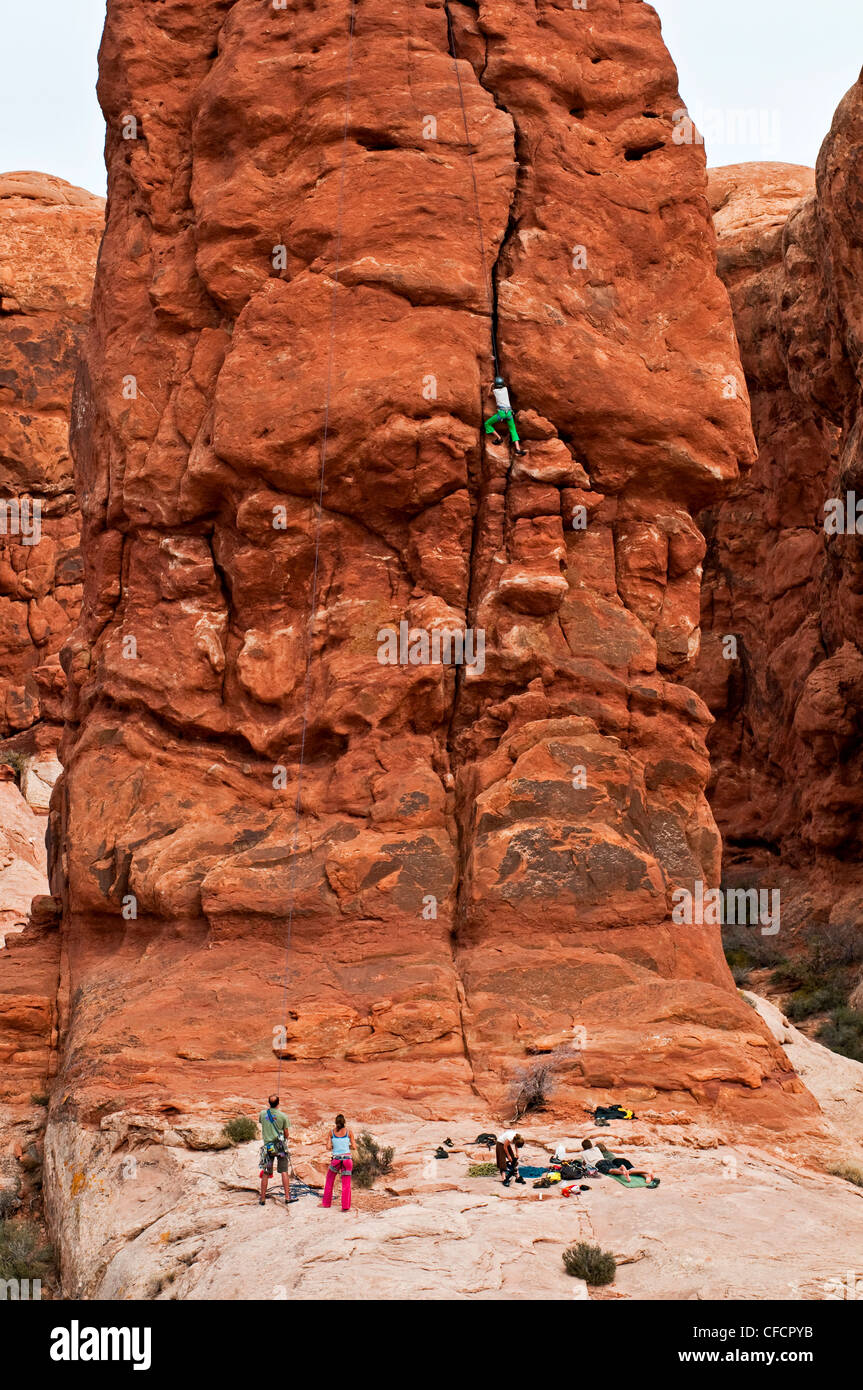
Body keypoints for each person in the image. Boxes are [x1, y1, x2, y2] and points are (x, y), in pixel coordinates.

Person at [582, 1138, 659, 1186]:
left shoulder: (585, 1153)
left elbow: (586, 1163)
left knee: (613, 1171)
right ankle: (646, 1174)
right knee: (631, 1169)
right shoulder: (598, 1150)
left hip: (609, 1162)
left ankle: (644, 1173)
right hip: (614, 1160)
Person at [259, 1094, 291, 1205]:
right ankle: (287, 1197)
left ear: (269, 1102)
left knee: (266, 1173)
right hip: (280, 1147)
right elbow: (286, 1133)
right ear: (278, 1103)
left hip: (268, 1147)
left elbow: (262, 1123)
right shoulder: (283, 1116)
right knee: (284, 1171)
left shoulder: (263, 1114)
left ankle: (262, 1198)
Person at [322, 1114, 355, 1212]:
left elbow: (327, 1147)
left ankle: (326, 1204)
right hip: (347, 1160)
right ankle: (345, 1206)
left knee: (329, 1181)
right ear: (344, 1122)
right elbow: (354, 1146)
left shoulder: (331, 1132)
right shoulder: (349, 1132)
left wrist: (335, 1147)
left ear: (336, 1122)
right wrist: (346, 1146)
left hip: (336, 1160)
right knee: (346, 1183)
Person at [483, 376, 525, 454]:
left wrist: (491, 384)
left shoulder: (495, 391)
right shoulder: (505, 390)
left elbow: (489, 394)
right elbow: (504, 385)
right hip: (509, 413)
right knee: (513, 430)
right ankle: (518, 449)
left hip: (502, 414)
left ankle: (499, 438)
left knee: (487, 423)